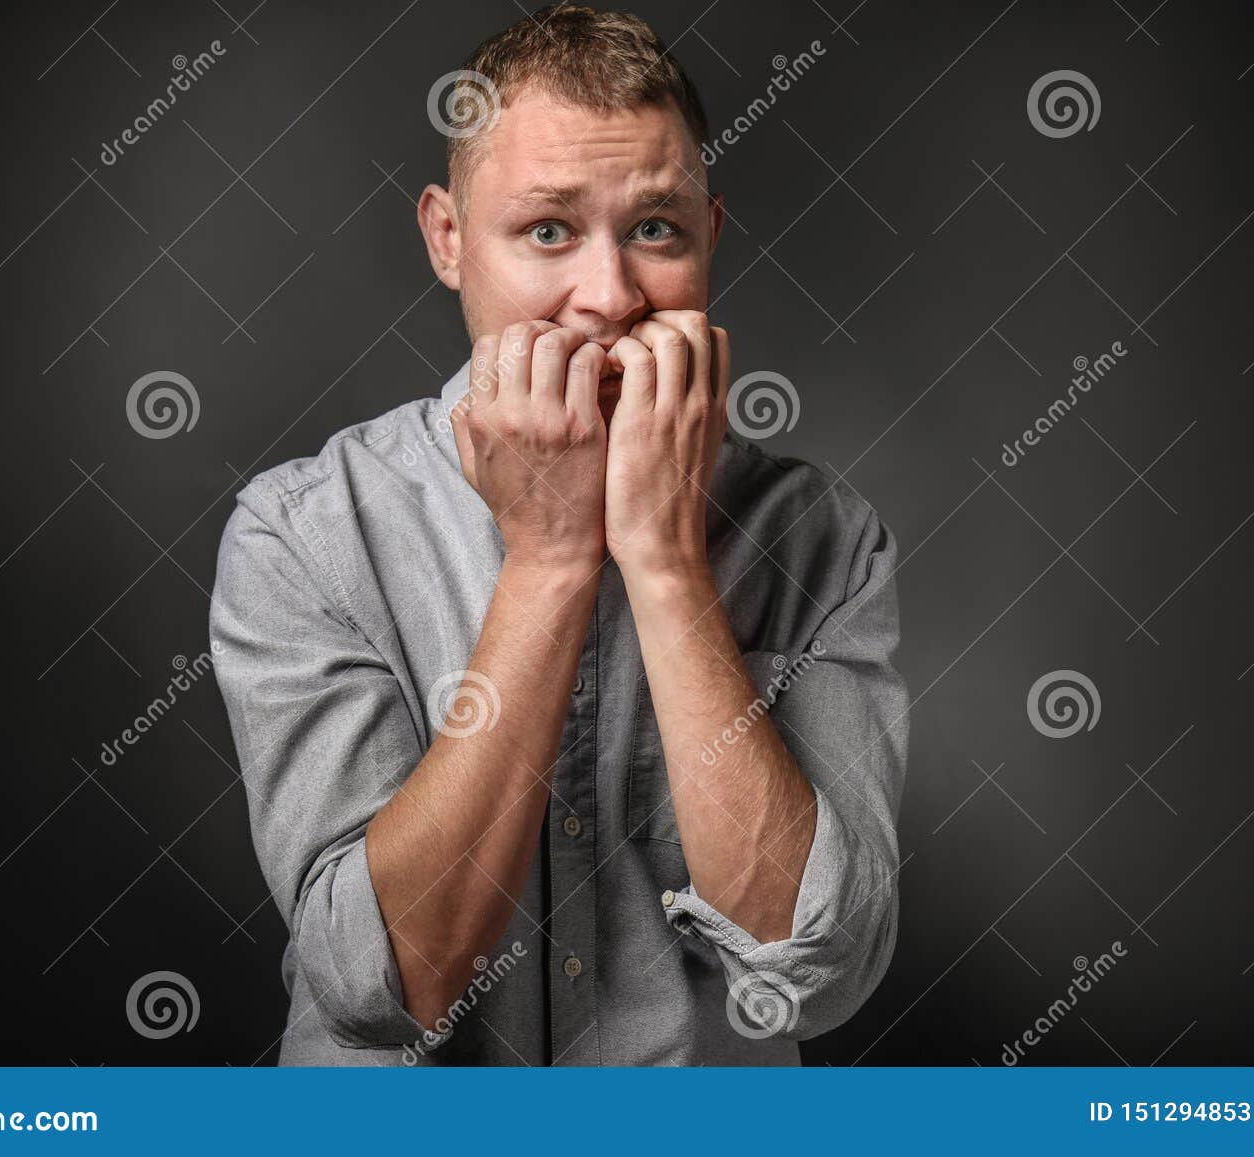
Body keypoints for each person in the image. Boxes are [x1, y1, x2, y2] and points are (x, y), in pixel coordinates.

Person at [209, 3, 909, 1065]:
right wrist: (549, 559)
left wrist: (669, 565)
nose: (610, 295)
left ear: (708, 237)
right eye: (547, 229)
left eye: (654, 229)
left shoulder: (823, 539)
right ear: (449, 239)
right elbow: (377, 987)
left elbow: (819, 971)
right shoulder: (303, 534)